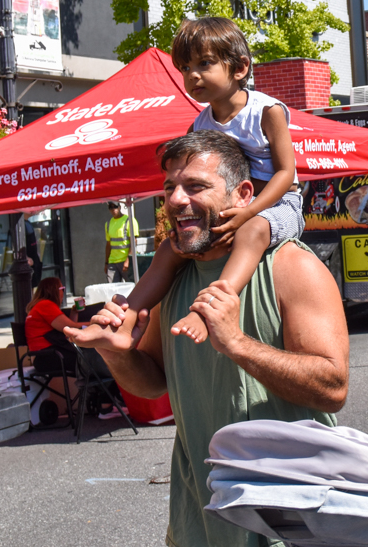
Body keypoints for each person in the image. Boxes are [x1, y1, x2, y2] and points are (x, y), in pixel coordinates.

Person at [66, 131, 349, 547]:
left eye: (196, 186)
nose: (177, 200)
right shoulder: (173, 277)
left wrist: (237, 343)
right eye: (169, 188)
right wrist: (118, 355)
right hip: (198, 522)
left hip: (292, 526)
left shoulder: (292, 267)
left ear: (243, 194)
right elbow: (154, 382)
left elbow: (332, 388)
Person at [118, 17, 301, 344]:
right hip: (231, 207)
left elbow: (286, 173)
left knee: (253, 231)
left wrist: (249, 212)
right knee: (169, 249)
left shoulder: (265, 111)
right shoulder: (199, 125)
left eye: (204, 63)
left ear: (240, 68)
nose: (193, 75)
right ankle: (125, 315)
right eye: (185, 68)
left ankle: (210, 309)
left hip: (279, 203)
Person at [24, 277, 110, 377]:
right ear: (53, 290)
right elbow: (70, 327)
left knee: (90, 358)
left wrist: (74, 312)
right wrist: (96, 323)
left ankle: (98, 384)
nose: (63, 293)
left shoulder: (40, 306)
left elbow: (69, 329)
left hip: (43, 356)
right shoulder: (45, 305)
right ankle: (103, 384)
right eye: (62, 289)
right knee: (92, 360)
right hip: (48, 356)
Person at [104, 201, 139, 283]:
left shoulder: (129, 221)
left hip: (125, 261)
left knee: (132, 286)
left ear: (119, 207)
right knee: (112, 288)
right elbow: (108, 245)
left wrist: (128, 259)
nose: (113, 209)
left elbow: (133, 242)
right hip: (112, 262)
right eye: (110, 207)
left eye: (115, 207)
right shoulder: (108, 224)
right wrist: (106, 263)